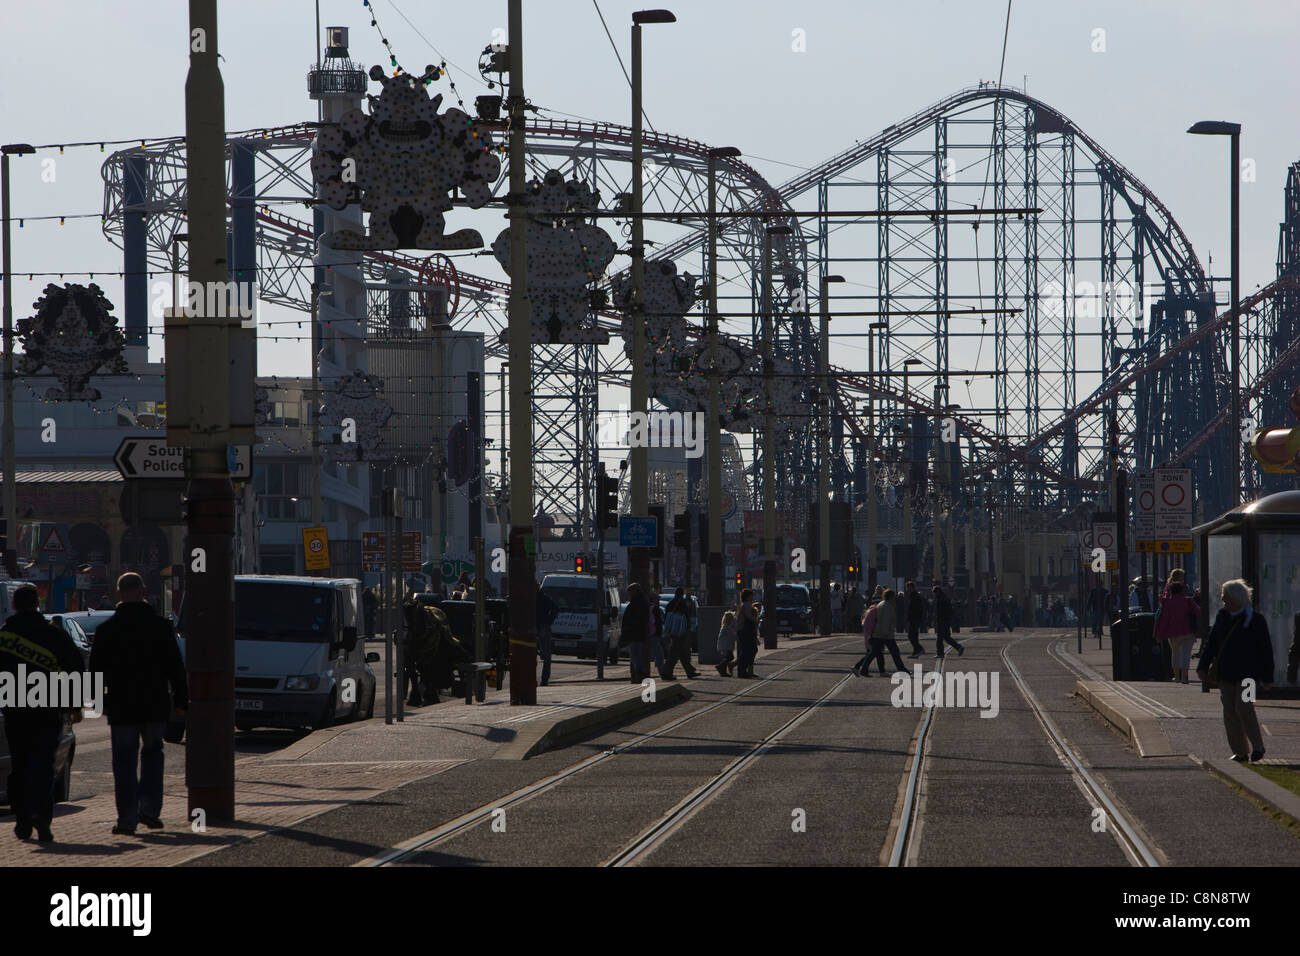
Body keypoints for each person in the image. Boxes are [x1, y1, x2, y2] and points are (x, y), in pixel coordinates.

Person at [89, 572, 189, 837]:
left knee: (123, 762)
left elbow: (95, 672)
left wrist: (97, 703)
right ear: (143, 591)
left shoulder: (107, 630)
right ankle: (149, 809)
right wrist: (181, 701)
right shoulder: (160, 627)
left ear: (119, 593)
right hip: (154, 703)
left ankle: (126, 818)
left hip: (122, 706)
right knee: (153, 754)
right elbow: (175, 668)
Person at [0, 585, 84, 842]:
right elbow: (75, 667)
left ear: (13, 605)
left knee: (20, 763)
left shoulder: (4, 636)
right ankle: (41, 814)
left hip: (14, 708)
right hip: (48, 708)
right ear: (38, 603)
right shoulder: (54, 634)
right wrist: (74, 705)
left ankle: (22, 816)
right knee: (44, 763)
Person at [1196, 578, 1273, 762]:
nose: (1224, 602)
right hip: (1226, 674)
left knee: (1244, 708)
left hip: (1248, 676)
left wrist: (1267, 677)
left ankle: (1258, 746)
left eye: (1226, 598)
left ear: (1237, 598)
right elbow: (1212, 644)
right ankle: (1240, 751)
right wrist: (1202, 666)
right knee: (1230, 712)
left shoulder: (1255, 620)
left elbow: (1265, 650)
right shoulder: (1222, 617)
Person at [1154, 580, 1198, 684]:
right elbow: (1198, 612)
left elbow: (1164, 620)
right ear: (1182, 590)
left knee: (1175, 654)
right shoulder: (1188, 601)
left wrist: (1160, 634)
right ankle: (1184, 677)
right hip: (1188, 632)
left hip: (1173, 633)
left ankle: (1177, 677)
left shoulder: (1167, 603)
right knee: (1186, 654)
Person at [861, 589, 906, 675]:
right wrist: (886, 632)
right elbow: (885, 620)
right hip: (885, 634)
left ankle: (864, 669)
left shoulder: (882, 604)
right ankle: (902, 669)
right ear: (891, 597)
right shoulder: (888, 606)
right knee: (893, 652)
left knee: (874, 653)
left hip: (880, 633)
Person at [661, 587, 698, 680]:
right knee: (676, 652)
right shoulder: (683, 603)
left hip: (673, 631)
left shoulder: (670, 604)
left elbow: (666, 617)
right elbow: (687, 618)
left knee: (682, 652)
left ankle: (690, 671)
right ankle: (666, 672)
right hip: (681, 631)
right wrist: (689, 630)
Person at [621, 584, 650, 683]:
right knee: (636, 655)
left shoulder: (638, 603)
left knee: (635, 656)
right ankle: (637, 676)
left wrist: (630, 627)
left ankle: (639, 675)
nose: (629, 594)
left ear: (636, 591)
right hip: (637, 634)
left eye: (631, 591)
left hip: (636, 634)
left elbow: (638, 619)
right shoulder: (640, 602)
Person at [535, 582, 558, 687]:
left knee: (529, 654)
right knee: (547, 656)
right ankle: (544, 680)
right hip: (543, 628)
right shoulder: (544, 598)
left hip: (532, 628)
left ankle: (533, 678)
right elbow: (555, 609)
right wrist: (548, 622)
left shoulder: (528, 599)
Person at [933, 585, 964, 659]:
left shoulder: (940, 599)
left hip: (942, 621)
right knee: (946, 637)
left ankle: (940, 653)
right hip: (946, 620)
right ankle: (959, 647)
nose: (934, 594)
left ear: (937, 592)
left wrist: (937, 621)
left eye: (934, 593)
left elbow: (939, 612)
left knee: (939, 638)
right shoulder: (945, 598)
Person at [735, 589, 760, 678]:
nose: (752, 597)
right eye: (751, 596)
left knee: (750, 650)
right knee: (747, 651)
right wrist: (756, 620)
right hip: (744, 631)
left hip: (745, 631)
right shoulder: (746, 605)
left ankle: (746, 670)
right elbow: (749, 616)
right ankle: (742, 671)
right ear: (747, 596)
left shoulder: (745, 605)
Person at [904, 581, 925, 658]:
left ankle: (919, 649)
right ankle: (916, 651)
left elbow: (915, 609)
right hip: (915, 619)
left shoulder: (914, 596)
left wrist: (910, 617)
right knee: (914, 636)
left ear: (912, 587)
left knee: (911, 636)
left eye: (908, 587)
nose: (907, 589)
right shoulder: (914, 595)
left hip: (914, 619)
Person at [716, 609, 738, 677]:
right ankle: (720, 666)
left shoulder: (726, 626)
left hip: (726, 645)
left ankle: (723, 671)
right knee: (730, 657)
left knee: (728, 657)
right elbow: (731, 635)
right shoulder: (727, 627)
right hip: (726, 645)